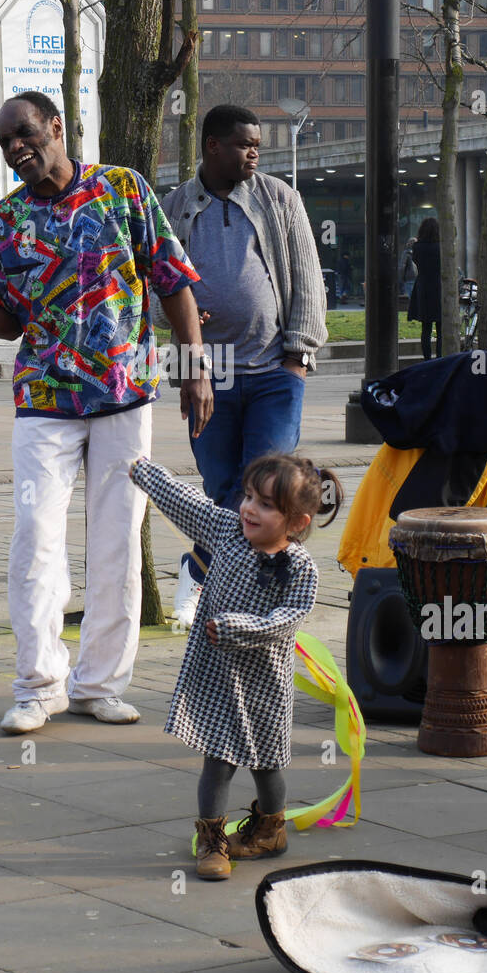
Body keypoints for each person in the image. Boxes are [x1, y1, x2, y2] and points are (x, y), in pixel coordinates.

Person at [0, 91, 212, 735]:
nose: (16, 149)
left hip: (124, 395)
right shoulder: (3, 225)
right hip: (45, 401)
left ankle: (100, 684)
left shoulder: (123, 190)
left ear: (57, 126)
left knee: (116, 542)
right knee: (36, 537)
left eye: (24, 134)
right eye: (5, 143)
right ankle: (37, 685)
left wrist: (195, 370)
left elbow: (172, 279)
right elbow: (7, 320)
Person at [128, 452, 341, 880]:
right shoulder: (226, 530)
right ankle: (212, 840)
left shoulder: (300, 569)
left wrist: (234, 627)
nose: (248, 509)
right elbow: (189, 503)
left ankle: (270, 827)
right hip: (217, 676)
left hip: (264, 683)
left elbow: (286, 620)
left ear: (297, 522)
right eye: (248, 497)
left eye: (265, 504)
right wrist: (147, 472)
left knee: (267, 763)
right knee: (218, 759)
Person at [158, 104, 327, 627]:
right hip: (209, 372)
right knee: (221, 487)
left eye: (257, 144)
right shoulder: (174, 206)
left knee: (265, 486)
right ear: (212, 146)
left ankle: (198, 574)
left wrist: (298, 355)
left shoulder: (280, 199)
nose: (254, 152)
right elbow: (154, 290)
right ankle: (235, 588)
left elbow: (306, 275)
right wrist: (185, 340)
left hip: (275, 370)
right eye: (243, 144)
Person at [407, 216, 442, 359]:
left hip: (423, 287)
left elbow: (415, 260)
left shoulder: (418, 247)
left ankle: (427, 358)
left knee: (425, 328)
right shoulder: (441, 246)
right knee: (441, 328)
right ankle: (440, 357)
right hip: (439, 287)